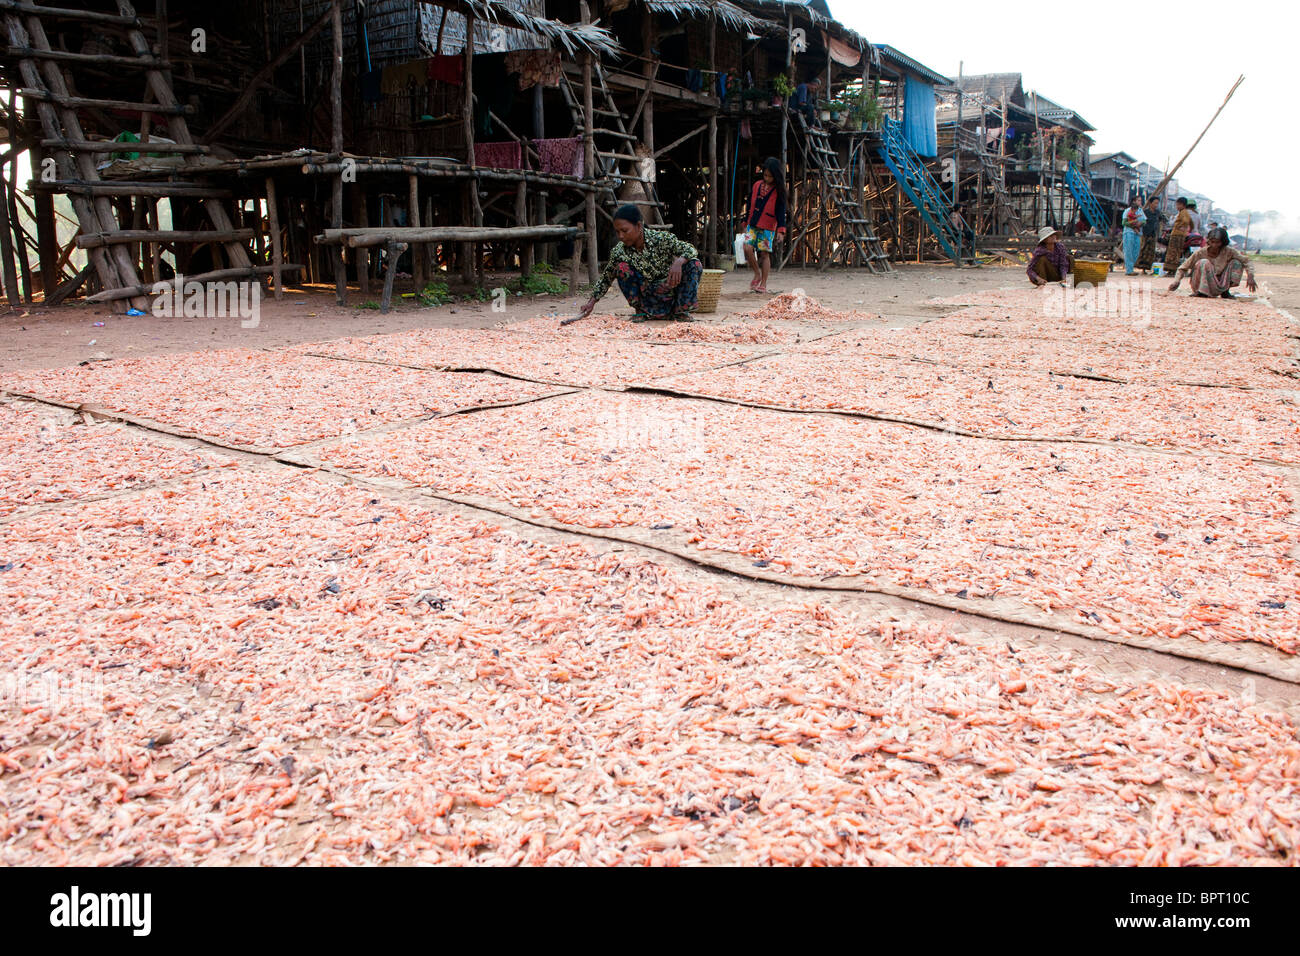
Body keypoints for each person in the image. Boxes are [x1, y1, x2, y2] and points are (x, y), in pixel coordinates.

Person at [576, 204, 703, 322]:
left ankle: (681, 312)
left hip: (670, 293)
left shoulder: (661, 239)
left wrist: (679, 262)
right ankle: (641, 312)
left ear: (638, 226)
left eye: (625, 231)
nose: (620, 236)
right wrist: (591, 302)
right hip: (647, 298)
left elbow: (690, 249)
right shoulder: (619, 251)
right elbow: (606, 278)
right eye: (617, 232)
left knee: (694, 264)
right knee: (621, 268)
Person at [1169, 226, 1257, 298]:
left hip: (1219, 284)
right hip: (1200, 284)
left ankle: (1225, 292)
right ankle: (1201, 292)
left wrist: (1250, 275)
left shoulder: (1229, 252)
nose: (1214, 245)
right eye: (1212, 242)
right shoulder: (1200, 253)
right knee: (1204, 262)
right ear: (1209, 241)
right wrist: (1177, 281)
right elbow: (1183, 267)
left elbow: (1247, 261)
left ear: (1223, 243)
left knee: (1236, 262)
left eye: (1217, 242)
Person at [742, 157, 787, 294]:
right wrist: (745, 221)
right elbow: (749, 204)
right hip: (753, 224)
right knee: (747, 248)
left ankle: (764, 283)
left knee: (764, 254)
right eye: (765, 175)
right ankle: (757, 273)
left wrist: (781, 230)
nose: (767, 178)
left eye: (770, 176)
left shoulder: (779, 191)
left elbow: (781, 211)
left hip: (768, 227)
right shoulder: (757, 185)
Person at [1163, 197, 1192, 272]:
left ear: (1183, 205)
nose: (1177, 207)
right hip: (1179, 234)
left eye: (1178, 205)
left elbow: (1185, 221)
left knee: (1173, 252)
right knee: (1175, 252)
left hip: (1177, 235)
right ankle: (1172, 269)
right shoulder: (1184, 213)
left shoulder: (1183, 213)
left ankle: (1171, 269)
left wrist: (1179, 226)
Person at [1120, 195, 1146, 275]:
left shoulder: (1140, 211)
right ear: (1134, 201)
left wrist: (1140, 224)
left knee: (1136, 251)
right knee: (1128, 251)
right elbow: (1124, 223)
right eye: (1138, 200)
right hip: (1129, 232)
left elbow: (1144, 221)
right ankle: (1129, 270)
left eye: (1140, 200)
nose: (1140, 202)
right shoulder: (1128, 211)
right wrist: (1133, 225)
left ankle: (1130, 267)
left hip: (1137, 234)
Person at [1137, 196, 1163, 273]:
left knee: (1151, 251)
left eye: (1157, 203)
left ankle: (1149, 267)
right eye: (1155, 203)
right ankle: (1143, 269)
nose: (1156, 205)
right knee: (1144, 250)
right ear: (1150, 203)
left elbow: (1161, 220)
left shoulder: (1158, 212)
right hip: (1146, 233)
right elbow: (1141, 222)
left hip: (1153, 234)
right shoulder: (1145, 212)